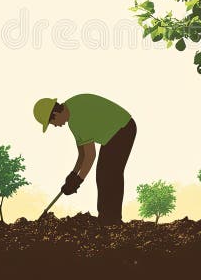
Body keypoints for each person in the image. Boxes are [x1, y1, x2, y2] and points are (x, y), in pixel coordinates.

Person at [33, 93, 136, 225]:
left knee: (109, 173)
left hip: (123, 128)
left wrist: (77, 181)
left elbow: (90, 156)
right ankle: (107, 218)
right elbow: (82, 154)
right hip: (113, 134)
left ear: (55, 114)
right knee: (104, 173)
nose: (55, 126)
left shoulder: (77, 120)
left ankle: (111, 219)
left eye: (51, 123)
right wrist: (73, 174)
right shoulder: (72, 114)